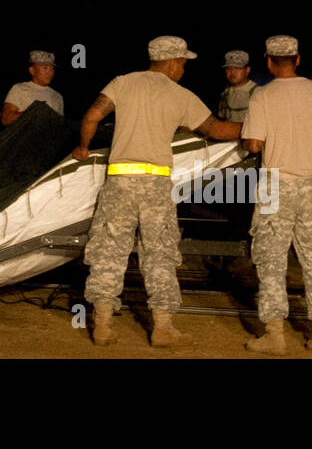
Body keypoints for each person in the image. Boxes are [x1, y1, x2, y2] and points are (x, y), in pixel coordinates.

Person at [72, 36, 243, 347]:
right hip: (155, 185)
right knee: (159, 254)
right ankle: (162, 328)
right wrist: (256, 129)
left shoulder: (122, 83)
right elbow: (216, 129)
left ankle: (103, 326)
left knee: (109, 251)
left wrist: (82, 148)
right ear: (173, 62)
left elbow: (92, 116)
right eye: (183, 64)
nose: (184, 70)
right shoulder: (180, 95)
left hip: (120, 182)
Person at [241, 35, 312, 355]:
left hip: (275, 183)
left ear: (269, 61)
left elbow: (254, 145)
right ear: (298, 59)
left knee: (271, 259)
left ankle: (274, 336)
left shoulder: (262, 95)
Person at [1, 50, 64, 125]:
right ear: (32, 71)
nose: (50, 72)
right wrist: (33, 113)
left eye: (52, 68)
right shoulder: (19, 88)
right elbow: (6, 119)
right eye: (45, 68)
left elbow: (61, 125)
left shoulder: (57, 96)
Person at [216, 50, 258, 124]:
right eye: (228, 68)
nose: (232, 72)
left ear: (247, 70)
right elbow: (222, 119)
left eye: (237, 68)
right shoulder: (225, 93)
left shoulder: (257, 93)